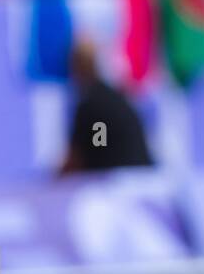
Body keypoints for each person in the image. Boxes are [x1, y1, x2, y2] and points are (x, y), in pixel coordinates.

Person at [60, 40, 155, 174]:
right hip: (142, 177)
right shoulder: (115, 98)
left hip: (115, 184)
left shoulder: (91, 105)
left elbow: (93, 155)